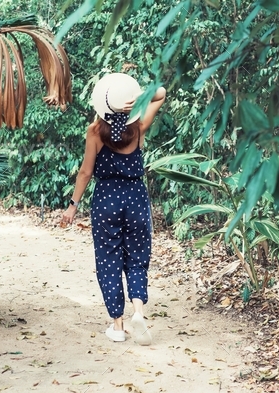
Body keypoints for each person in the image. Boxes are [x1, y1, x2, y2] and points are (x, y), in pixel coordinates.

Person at [61, 73, 166, 345]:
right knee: (137, 257)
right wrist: (142, 98)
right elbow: (162, 93)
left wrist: (73, 206)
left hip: (107, 201)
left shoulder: (95, 133)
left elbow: (85, 173)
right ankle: (139, 311)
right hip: (136, 199)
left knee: (108, 260)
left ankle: (117, 325)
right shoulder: (139, 127)